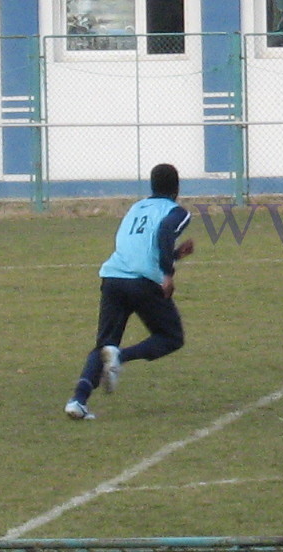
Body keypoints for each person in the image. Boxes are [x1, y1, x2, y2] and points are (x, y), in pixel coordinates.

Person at [64, 163, 194, 420]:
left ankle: (78, 401)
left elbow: (139, 246)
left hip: (113, 277)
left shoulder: (136, 208)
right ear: (177, 188)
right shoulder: (176, 212)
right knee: (171, 337)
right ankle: (120, 357)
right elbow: (165, 232)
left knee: (104, 344)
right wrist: (168, 272)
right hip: (142, 282)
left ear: (152, 185)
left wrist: (176, 254)